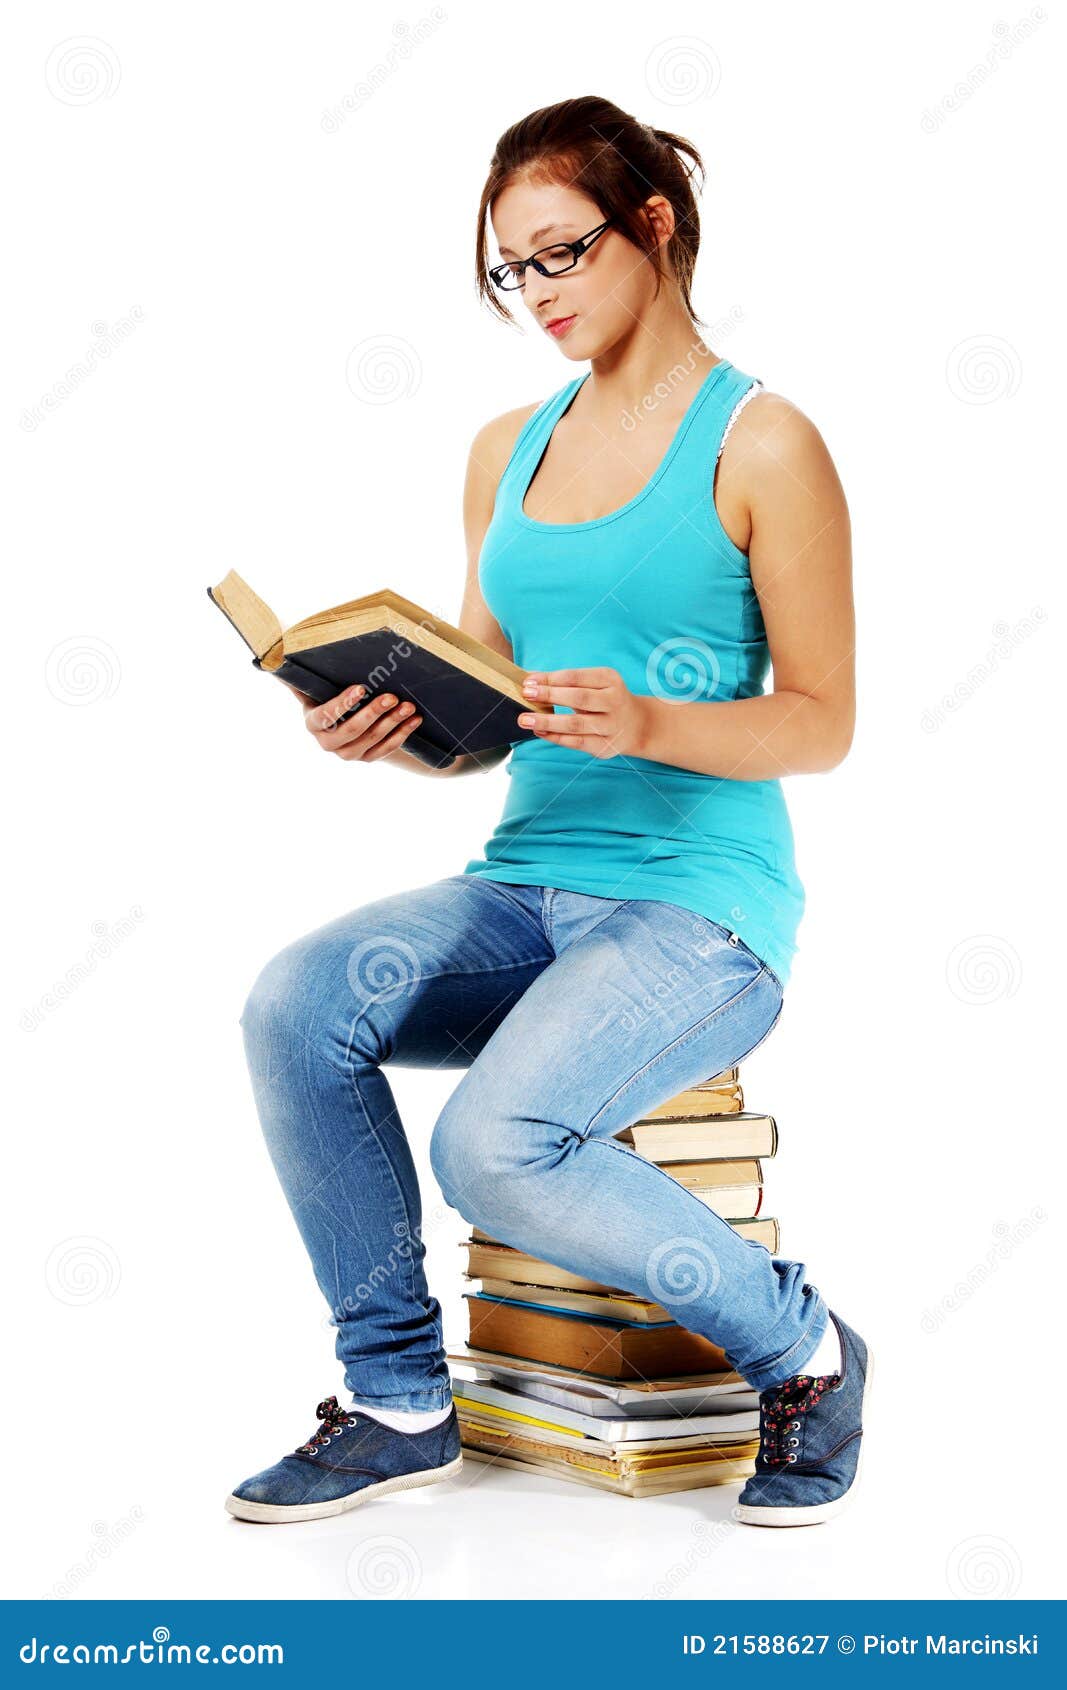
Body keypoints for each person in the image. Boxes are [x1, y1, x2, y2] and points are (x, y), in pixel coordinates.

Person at [226, 94, 869, 1529]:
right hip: (526, 885)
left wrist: (652, 720)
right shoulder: (502, 451)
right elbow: (494, 702)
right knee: (293, 1004)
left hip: (697, 907)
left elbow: (823, 718)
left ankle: (809, 1355)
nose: (537, 297)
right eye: (512, 272)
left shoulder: (763, 443)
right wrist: (394, 734)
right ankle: (398, 1398)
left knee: (492, 1146)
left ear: (655, 225)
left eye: (561, 255)